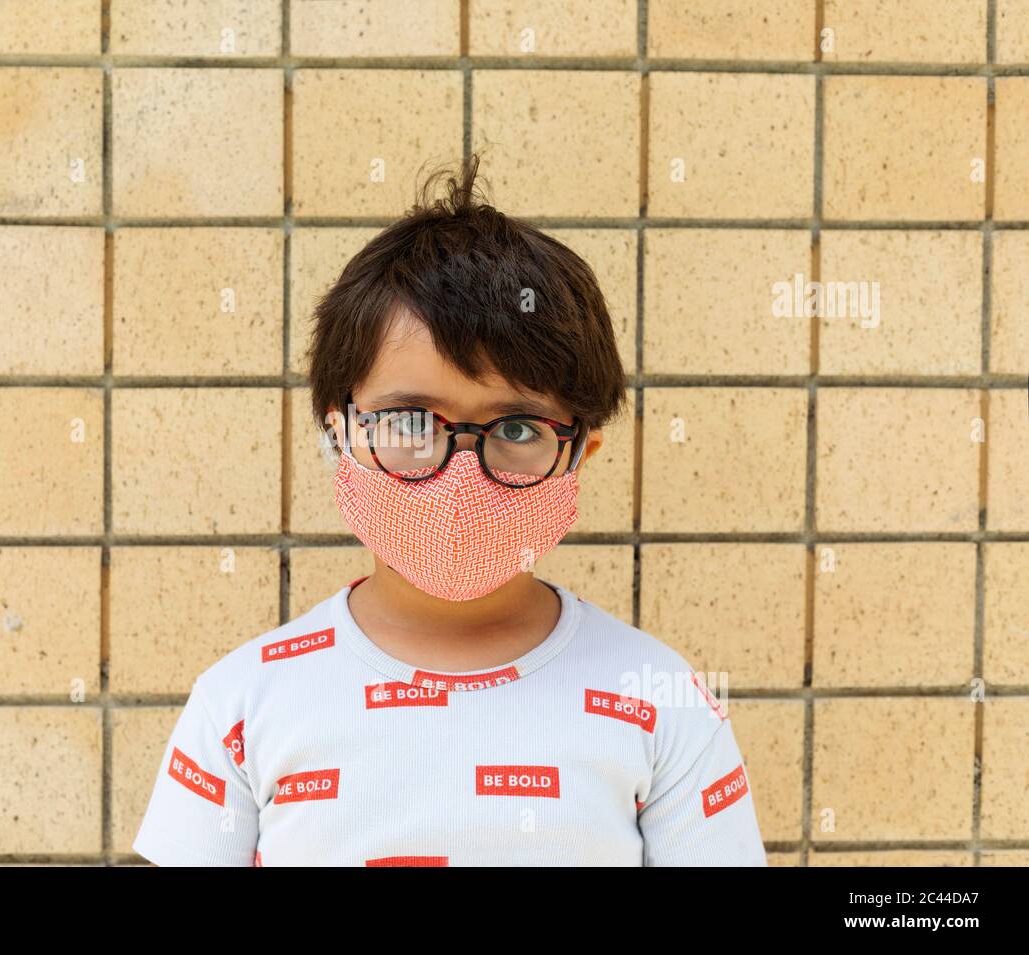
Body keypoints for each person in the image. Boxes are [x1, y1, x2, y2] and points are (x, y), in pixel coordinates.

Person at [133, 154, 767, 866]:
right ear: (339, 431)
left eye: (518, 429)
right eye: (410, 422)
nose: (462, 476)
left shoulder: (662, 701)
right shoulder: (242, 703)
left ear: (581, 453)